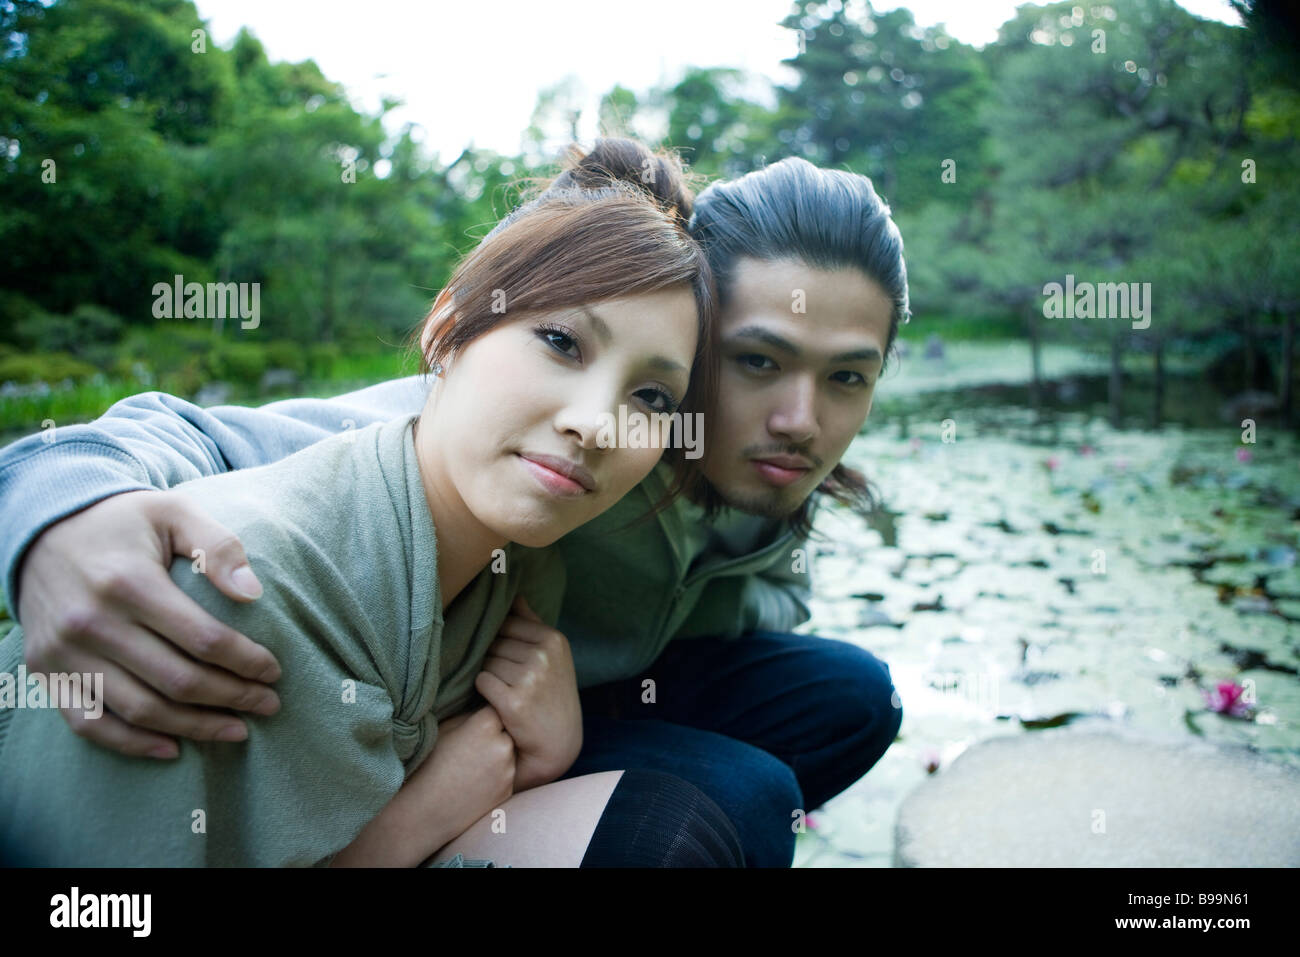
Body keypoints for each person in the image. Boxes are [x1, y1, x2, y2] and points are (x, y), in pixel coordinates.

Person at [2, 151, 909, 868]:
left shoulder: (762, 495)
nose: (800, 419)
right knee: (730, 799)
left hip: (523, 702)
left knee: (850, 697)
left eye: (846, 377)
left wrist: (557, 734)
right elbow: (189, 434)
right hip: (431, 710)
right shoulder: (483, 442)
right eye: (758, 360)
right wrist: (61, 514)